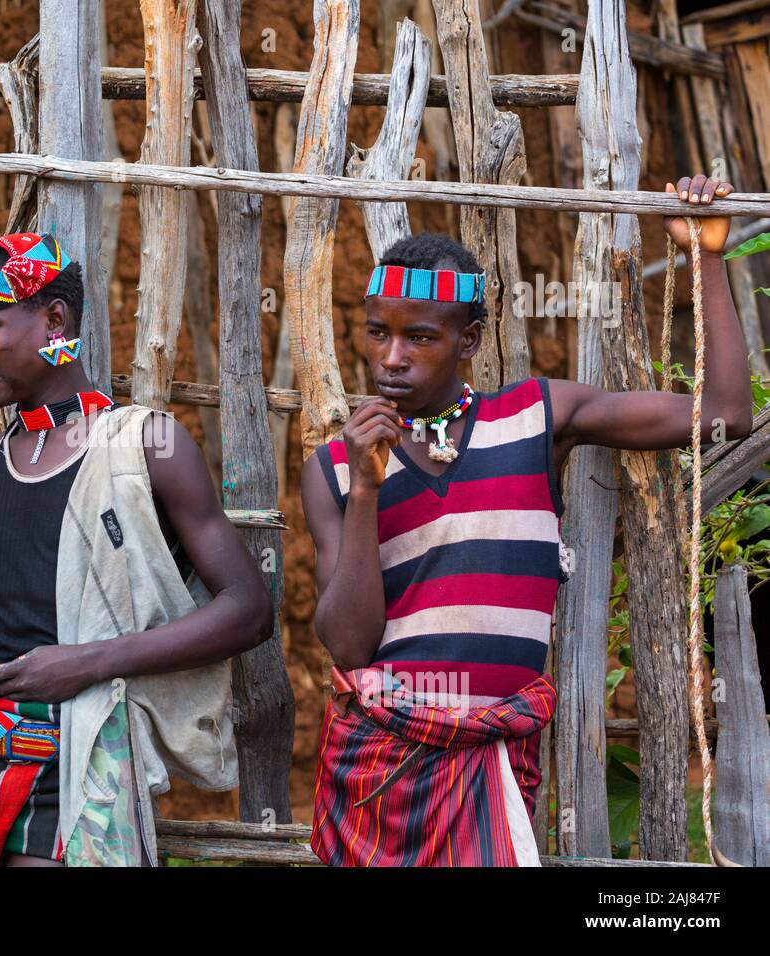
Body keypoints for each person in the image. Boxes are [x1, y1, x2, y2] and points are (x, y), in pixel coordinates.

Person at [302, 175, 753, 866]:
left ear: (469, 340)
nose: (391, 357)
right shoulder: (335, 466)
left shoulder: (537, 419)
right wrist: (366, 490)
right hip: (378, 775)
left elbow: (724, 415)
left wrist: (709, 257)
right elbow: (349, 649)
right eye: (378, 333)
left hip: (492, 760)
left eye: (419, 337)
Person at [0, 231, 273, 866]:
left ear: (53, 320)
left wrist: (87, 663)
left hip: (79, 750)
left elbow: (248, 610)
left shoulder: (145, 446)